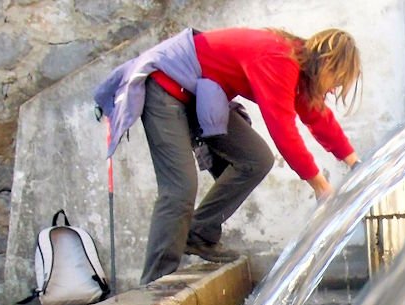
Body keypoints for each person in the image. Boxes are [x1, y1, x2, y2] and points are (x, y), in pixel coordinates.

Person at [95, 27, 362, 285]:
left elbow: (317, 116)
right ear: (327, 64)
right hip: (165, 86)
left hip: (201, 94)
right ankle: (156, 285)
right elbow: (283, 131)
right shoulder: (279, 59)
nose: (333, 90)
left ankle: (199, 232)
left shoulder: (300, 69)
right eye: (337, 82)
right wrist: (320, 186)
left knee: (256, 159)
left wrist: (355, 163)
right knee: (180, 188)